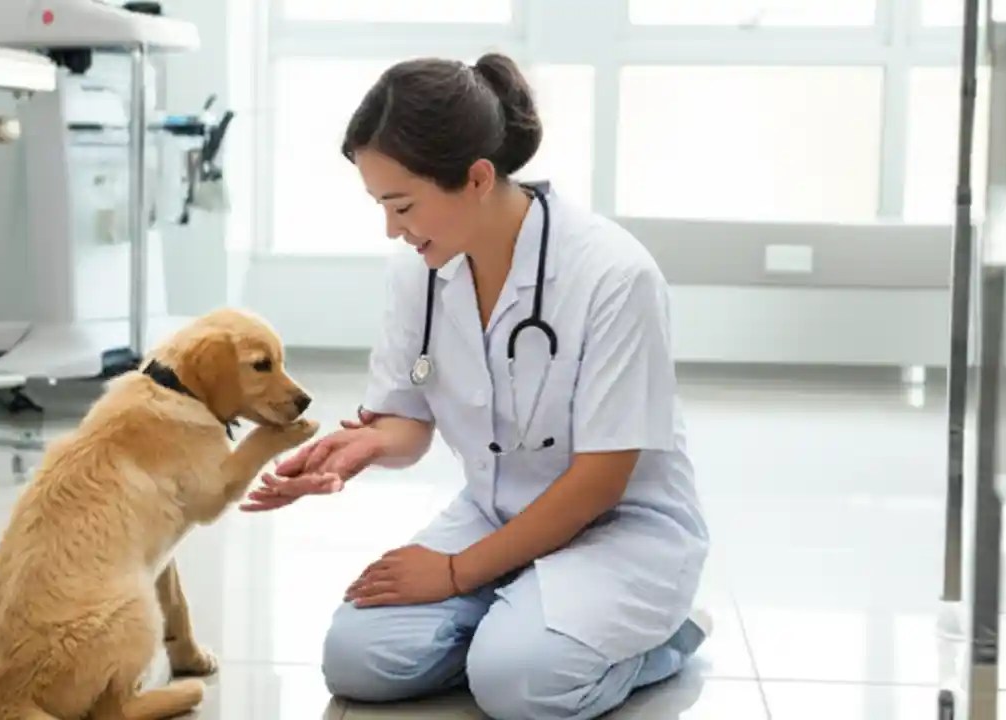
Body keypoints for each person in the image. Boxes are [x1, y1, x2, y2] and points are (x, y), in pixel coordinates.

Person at [241, 52, 711, 720]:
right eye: (380, 205)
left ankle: (659, 636)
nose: (390, 228)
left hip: (619, 530)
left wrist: (459, 574)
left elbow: (602, 479)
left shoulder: (612, 274)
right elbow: (404, 421)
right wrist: (362, 449)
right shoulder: (420, 273)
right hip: (498, 513)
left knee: (515, 686)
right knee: (357, 660)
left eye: (401, 205)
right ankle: (519, 625)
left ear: (477, 178)